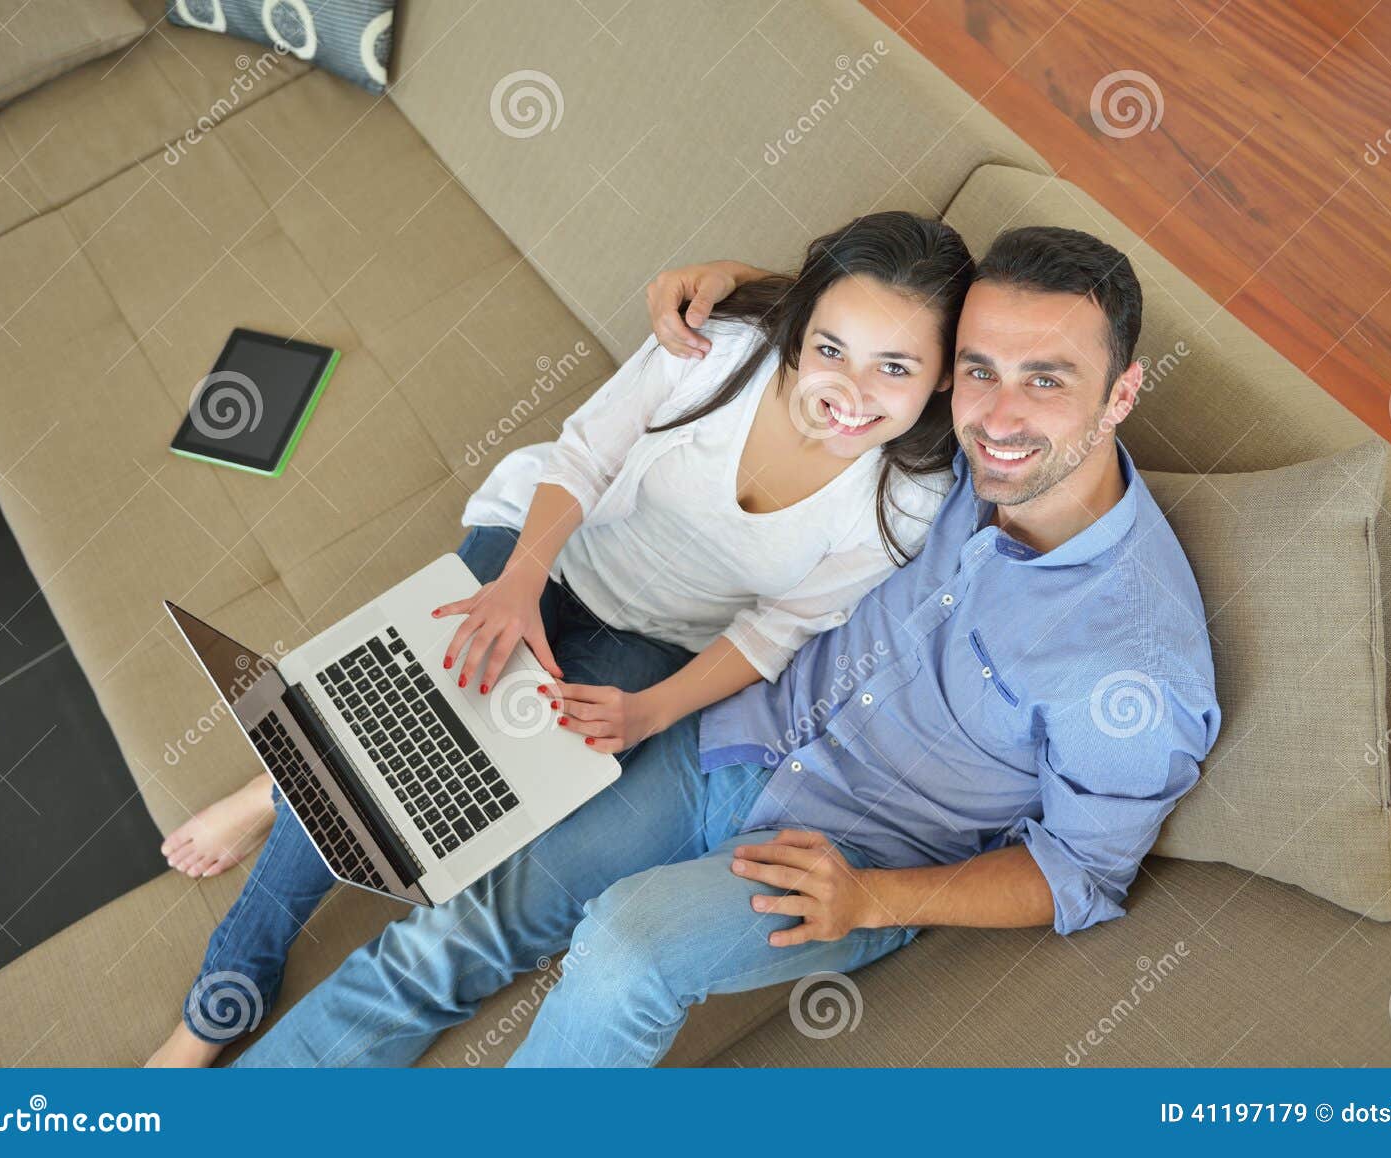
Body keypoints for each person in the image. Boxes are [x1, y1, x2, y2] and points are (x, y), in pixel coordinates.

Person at [227, 224, 1222, 1068]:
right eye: (978, 372)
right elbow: (863, 324)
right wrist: (730, 282)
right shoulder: (949, 455)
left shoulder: (1132, 664)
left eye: (1047, 381)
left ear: (1122, 393)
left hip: (848, 853)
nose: (1000, 416)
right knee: (460, 927)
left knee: (622, 949)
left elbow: (1080, 875)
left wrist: (874, 897)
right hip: (730, 743)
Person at [147, 210, 976, 1065]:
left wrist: (652, 713)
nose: (851, 391)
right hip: (540, 549)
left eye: (897, 368)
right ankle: (220, 1002)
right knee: (365, 759)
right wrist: (515, 586)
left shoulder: (905, 498)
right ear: (801, 328)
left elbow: (779, 632)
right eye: (832, 350)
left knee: (436, 769)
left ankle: (276, 780)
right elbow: (580, 456)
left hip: (654, 645)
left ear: (944, 379)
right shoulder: (720, 350)